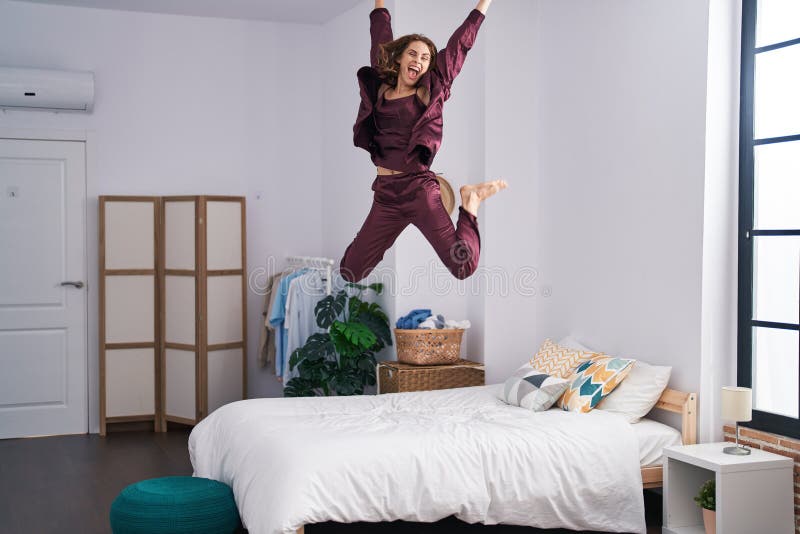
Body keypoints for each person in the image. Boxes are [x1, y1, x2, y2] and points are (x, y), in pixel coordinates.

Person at [339, 0, 507, 283]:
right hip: (386, 195)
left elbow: (460, 45)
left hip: (418, 191)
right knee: (350, 271)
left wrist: (484, 4)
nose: (418, 60)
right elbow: (380, 31)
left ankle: (471, 200)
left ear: (429, 66)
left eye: (425, 57)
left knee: (462, 265)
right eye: (412, 53)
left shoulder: (429, 92)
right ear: (400, 59)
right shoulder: (380, 86)